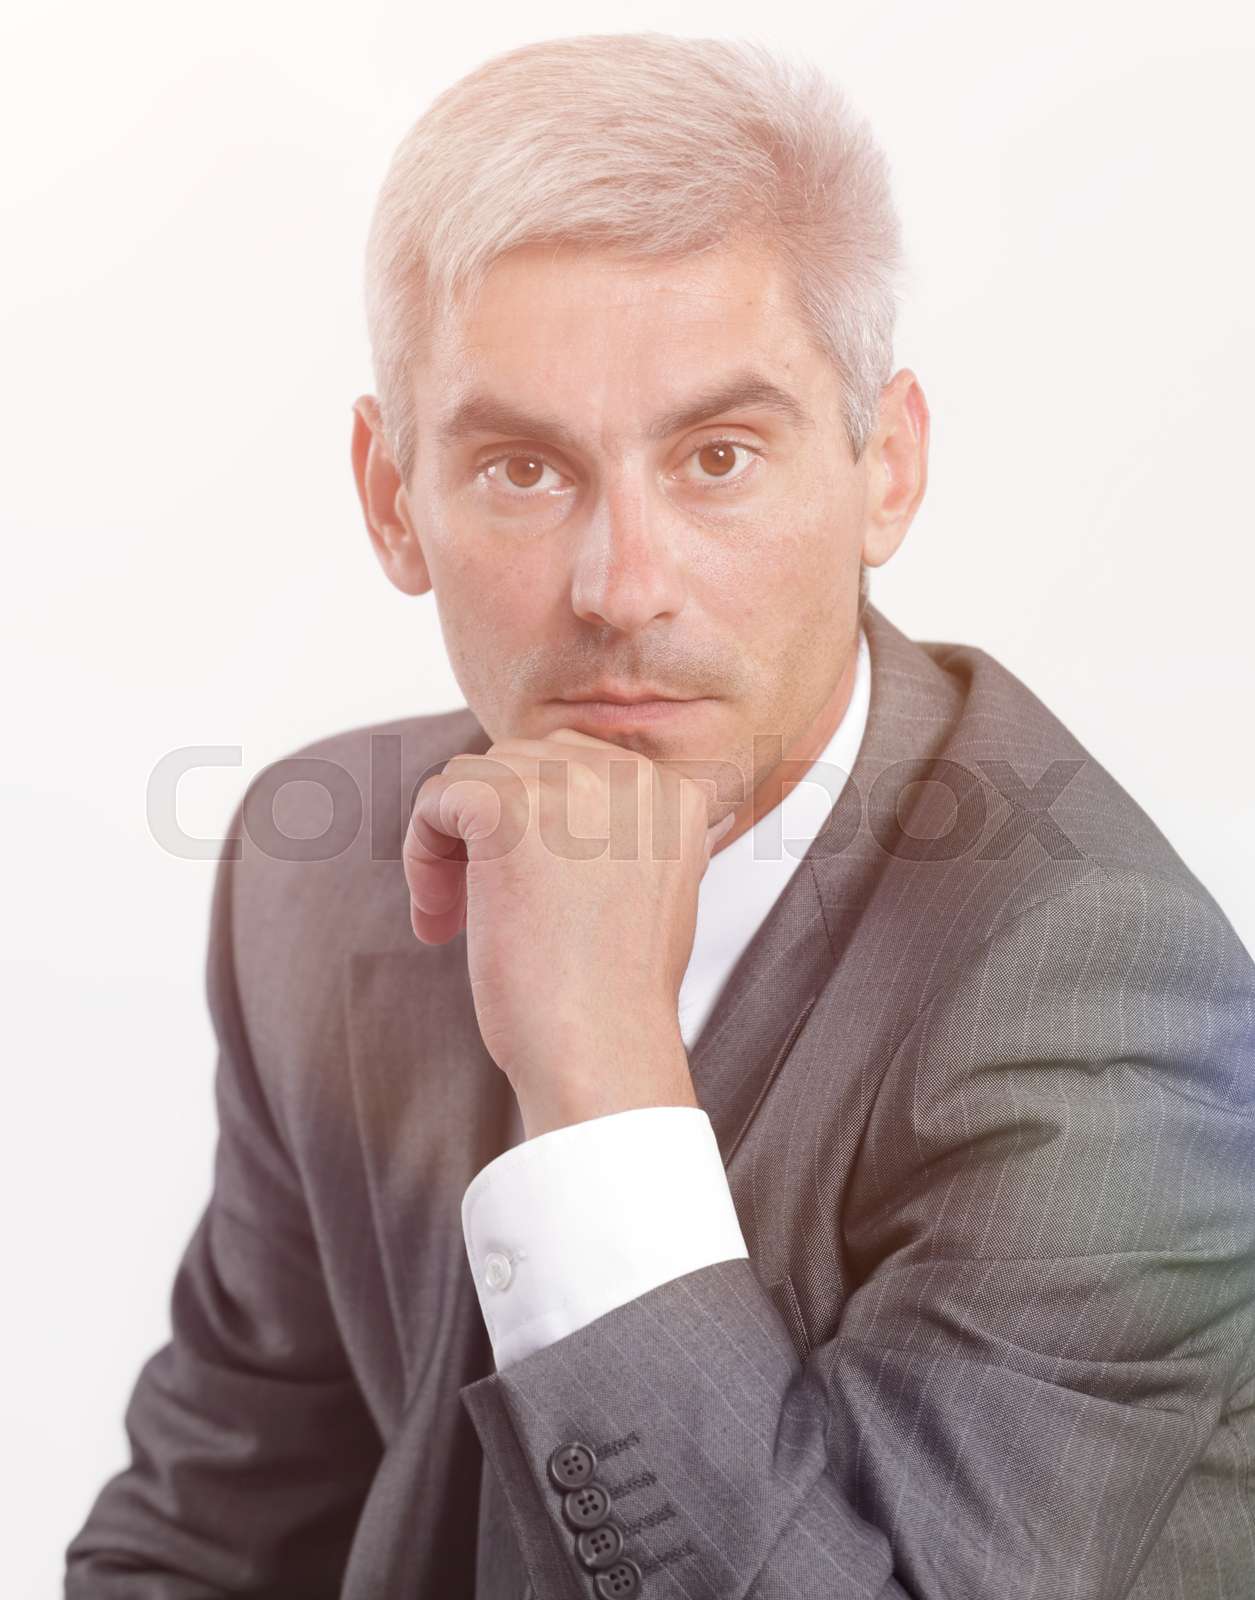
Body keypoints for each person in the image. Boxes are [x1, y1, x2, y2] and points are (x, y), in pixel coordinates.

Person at [65, 31, 1255, 1600]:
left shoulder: (1106, 1004)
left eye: (717, 456)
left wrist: (602, 1076)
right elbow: (213, 1538)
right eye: (520, 469)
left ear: (884, 468)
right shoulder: (322, 876)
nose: (623, 588)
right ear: (388, 496)